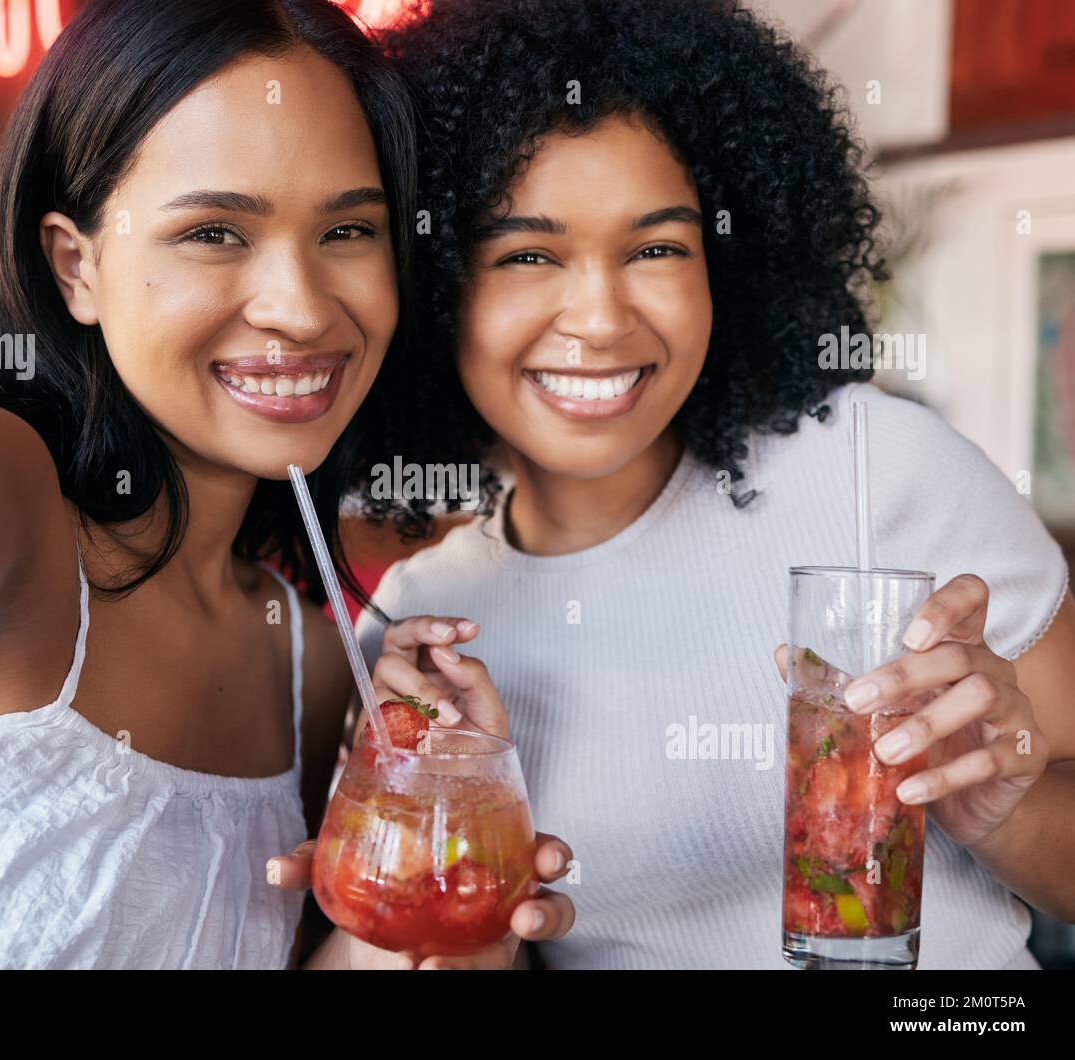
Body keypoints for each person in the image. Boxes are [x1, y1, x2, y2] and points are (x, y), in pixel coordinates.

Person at [0, 0, 570, 970]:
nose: (299, 306)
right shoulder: (0, 512)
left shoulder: (312, 672)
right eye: (215, 233)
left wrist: (442, 899)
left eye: (347, 231)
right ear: (76, 267)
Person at [351, 0, 1075, 968]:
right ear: (436, 282)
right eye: (527, 253)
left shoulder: (877, 470)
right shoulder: (423, 629)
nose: (601, 319)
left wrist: (1001, 806)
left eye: (656, 248)